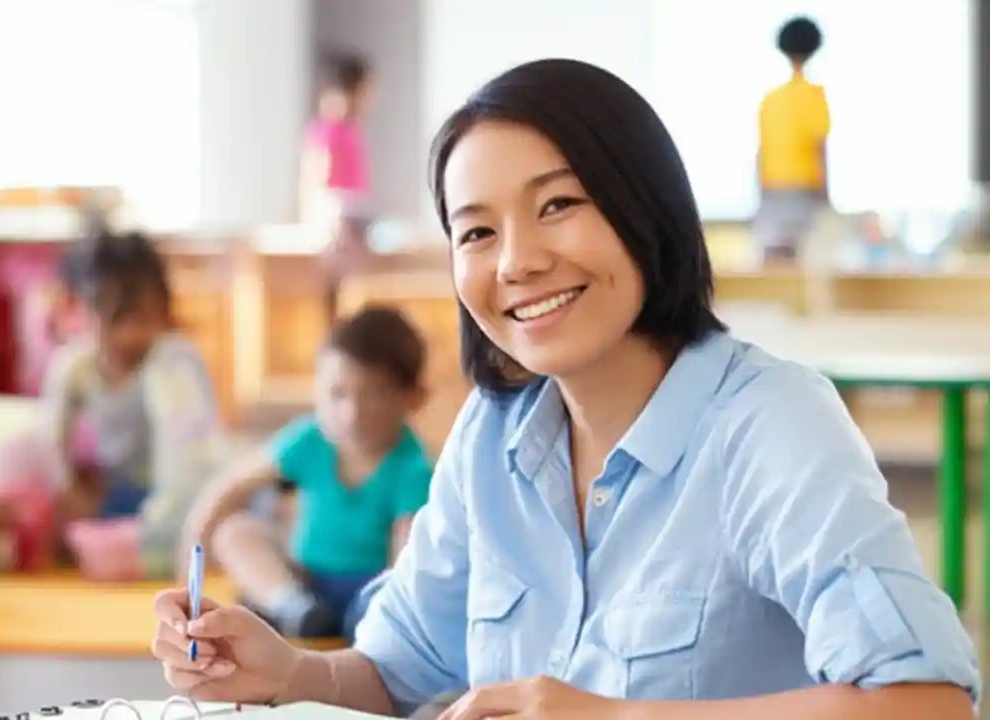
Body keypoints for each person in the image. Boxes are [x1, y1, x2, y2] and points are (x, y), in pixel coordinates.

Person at [150, 59, 979, 719]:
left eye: (558, 205)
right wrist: (287, 670)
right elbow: (395, 673)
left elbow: (928, 704)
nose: (516, 262)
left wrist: (614, 718)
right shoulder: (494, 433)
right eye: (476, 231)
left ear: (644, 206)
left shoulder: (769, 422)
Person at [181, 307, 431, 639]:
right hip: (305, 583)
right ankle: (290, 607)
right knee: (234, 533)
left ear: (413, 398)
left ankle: (334, 622)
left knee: (400, 589)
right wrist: (188, 562)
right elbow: (232, 488)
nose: (352, 413)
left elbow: (406, 555)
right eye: (337, 394)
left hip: (368, 591)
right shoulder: (310, 439)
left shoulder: (413, 467)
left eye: (373, 395)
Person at [41, 227, 223, 579]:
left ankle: (131, 548)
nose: (131, 335)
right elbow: (50, 442)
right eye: (116, 320)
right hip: (120, 498)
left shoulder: (171, 359)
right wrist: (69, 492)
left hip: (183, 498)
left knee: (222, 521)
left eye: (145, 319)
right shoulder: (75, 365)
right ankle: (108, 544)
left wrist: (156, 526)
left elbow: (187, 462)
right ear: (85, 312)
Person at [299, 51, 375, 323]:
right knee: (341, 288)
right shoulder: (327, 130)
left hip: (353, 212)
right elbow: (317, 178)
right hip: (337, 214)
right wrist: (330, 223)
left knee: (358, 285)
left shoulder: (350, 129)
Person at [755, 16, 831, 263]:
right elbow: (819, 147)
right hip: (804, 189)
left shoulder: (771, 99)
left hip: (772, 188)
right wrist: (825, 196)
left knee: (774, 259)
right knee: (805, 260)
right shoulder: (814, 96)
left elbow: (761, 153)